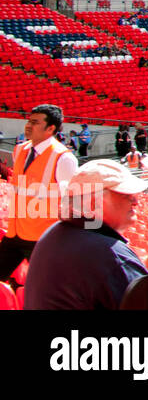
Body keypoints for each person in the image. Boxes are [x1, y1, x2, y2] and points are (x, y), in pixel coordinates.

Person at [24, 160, 148, 309]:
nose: (136, 201)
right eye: (126, 195)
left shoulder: (53, 233)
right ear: (93, 204)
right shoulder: (108, 255)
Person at [0, 104, 79, 283]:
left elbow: (72, 199)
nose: (28, 125)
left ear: (50, 128)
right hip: (15, 232)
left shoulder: (63, 158)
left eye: (35, 122)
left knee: (45, 288)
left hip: (41, 238)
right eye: (29, 121)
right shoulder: (20, 150)